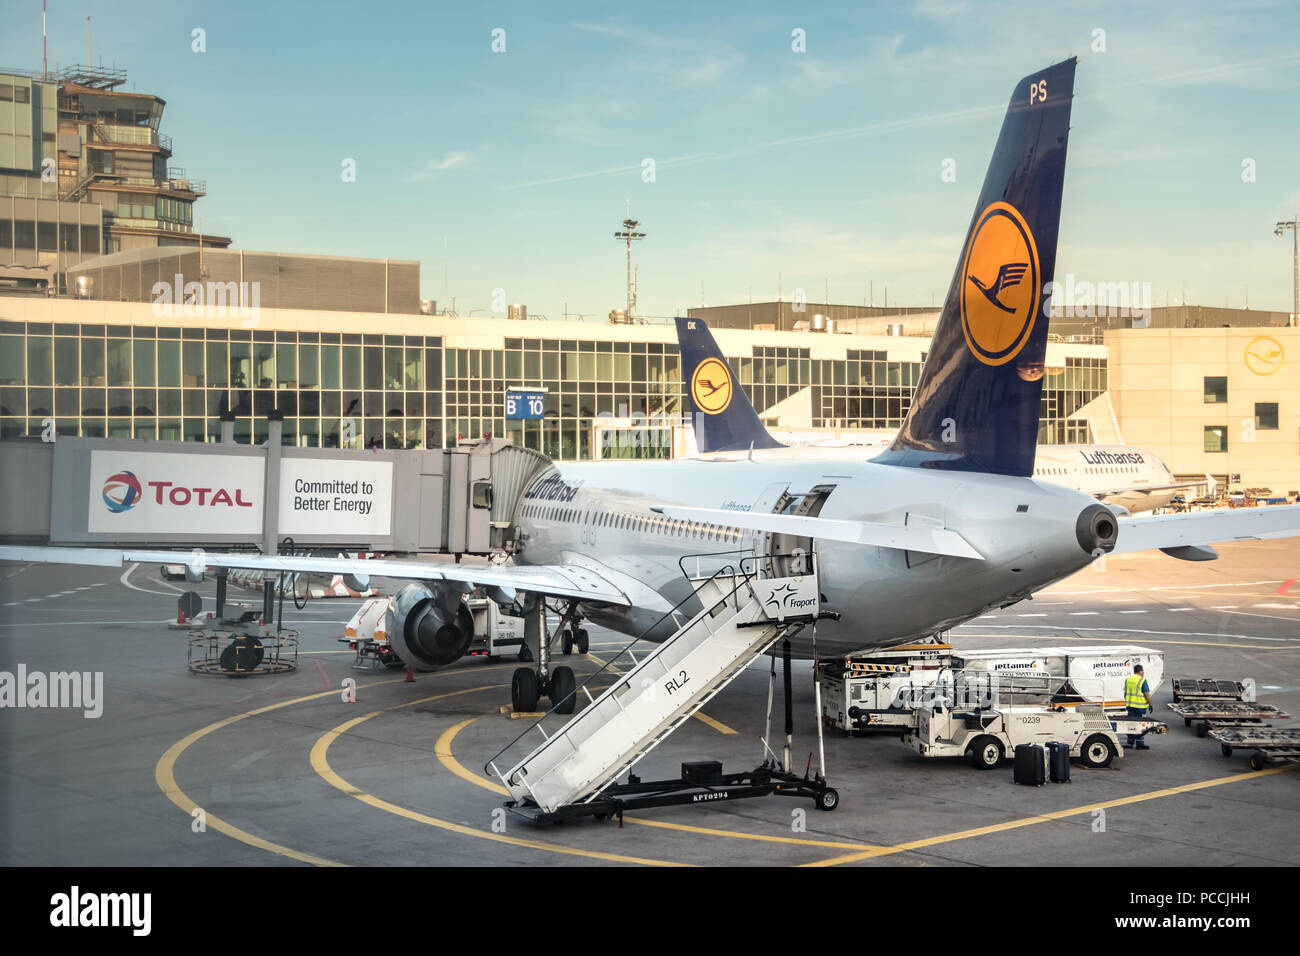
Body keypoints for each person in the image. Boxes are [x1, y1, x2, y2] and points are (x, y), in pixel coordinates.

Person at [1124, 664, 1154, 750]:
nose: (1143, 672)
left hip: (1130, 706)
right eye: (1143, 670)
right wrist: (1150, 704)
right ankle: (1140, 744)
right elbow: (1147, 694)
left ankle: (1129, 743)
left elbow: (1125, 693)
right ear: (1140, 671)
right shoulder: (1142, 680)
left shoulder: (1128, 680)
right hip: (1140, 707)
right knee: (1140, 724)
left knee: (1131, 724)